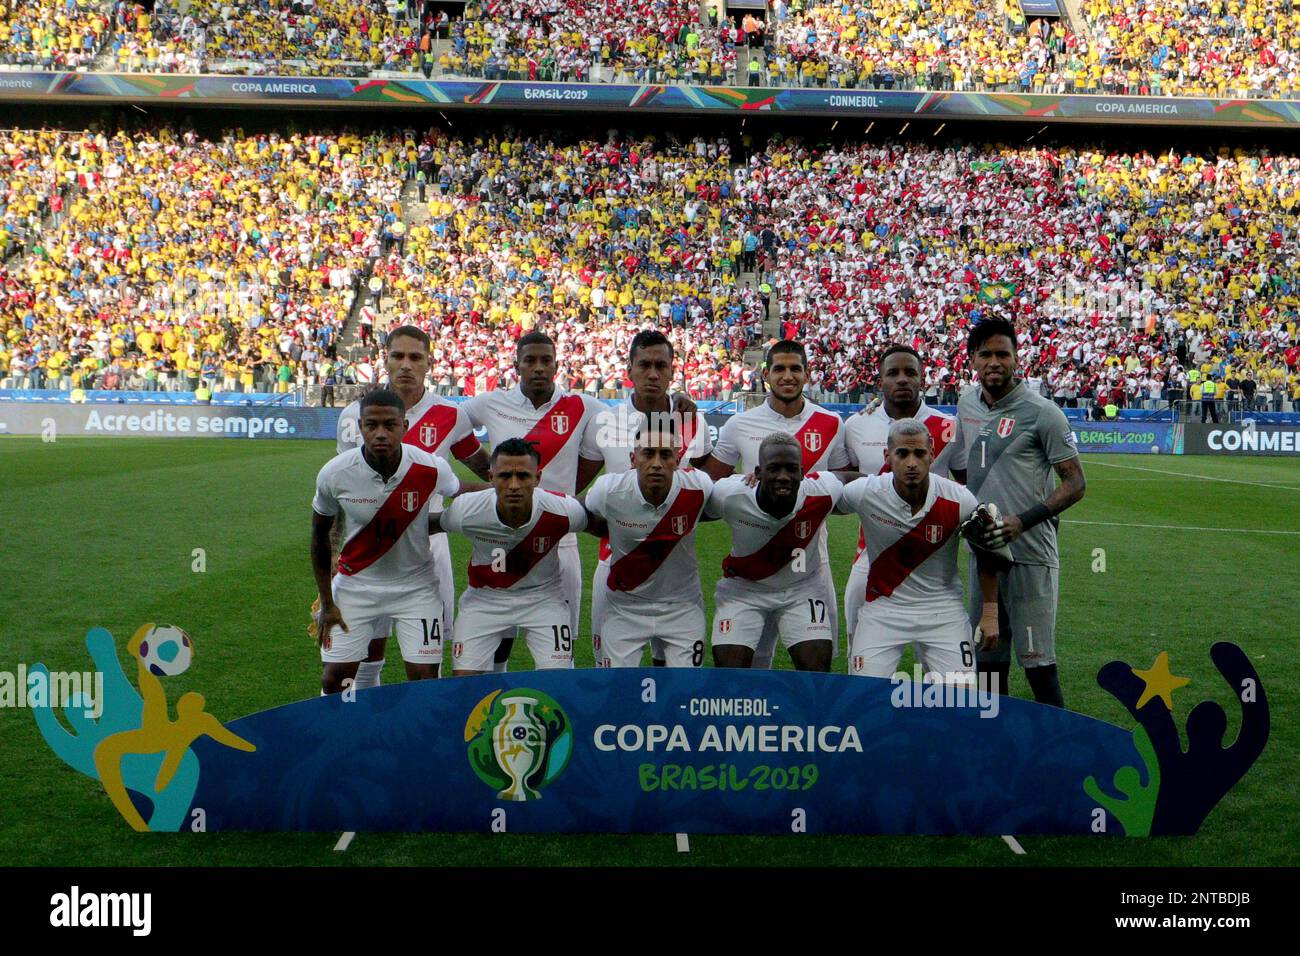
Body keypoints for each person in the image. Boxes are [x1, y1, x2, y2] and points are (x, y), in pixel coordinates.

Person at [333, 325, 492, 689]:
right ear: (385, 359)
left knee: (424, 664)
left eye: (415, 357)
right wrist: (333, 563)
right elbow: (344, 489)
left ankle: (419, 737)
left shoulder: (450, 415)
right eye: (398, 356)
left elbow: (483, 468)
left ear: (429, 363)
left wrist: (519, 485)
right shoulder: (353, 415)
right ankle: (369, 728)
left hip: (425, 548)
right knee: (365, 658)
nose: (405, 365)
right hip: (367, 551)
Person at [952, 319, 1087, 707]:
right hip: (984, 557)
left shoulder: (1042, 413)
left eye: (1002, 354)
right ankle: (999, 755)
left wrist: (1021, 521)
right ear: (972, 360)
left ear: (1016, 358)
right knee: (989, 661)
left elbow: (1075, 483)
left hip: (1031, 555)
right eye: (986, 354)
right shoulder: (966, 403)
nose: (994, 362)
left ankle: (1059, 756)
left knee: (1037, 664)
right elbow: (963, 466)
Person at [310, 390, 475, 694]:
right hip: (356, 585)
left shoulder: (430, 467)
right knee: (336, 681)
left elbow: (460, 489)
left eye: (390, 425)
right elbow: (320, 536)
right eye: (371, 425)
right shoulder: (335, 474)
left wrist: (505, 487)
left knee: (426, 679)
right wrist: (328, 602)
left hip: (417, 588)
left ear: (405, 425)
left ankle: (419, 741)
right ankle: (342, 739)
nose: (380, 433)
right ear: (360, 426)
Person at [698, 340, 849, 669]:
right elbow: (708, 485)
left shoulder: (831, 423)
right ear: (766, 374)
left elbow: (842, 480)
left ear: (807, 374)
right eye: (779, 368)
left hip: (810, 559)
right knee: (751, 668)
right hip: (753, 560)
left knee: (816, 671)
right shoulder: (740, 424)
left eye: (796, 368)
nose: (788, 375)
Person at [462, 331, 606, 671]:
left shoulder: (582, 406)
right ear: (517, 365)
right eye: (530, 360)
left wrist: (678, 406)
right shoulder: (491, 402)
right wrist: (488, 472)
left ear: (557, 365)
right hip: (502, 537)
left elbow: (629, 422)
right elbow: (449, 424)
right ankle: (495, 706)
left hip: (560, 538)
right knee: (498, 640)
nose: (538, 368)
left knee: (560, 643)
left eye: (546, 361)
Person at [837, 418, 1000, 681]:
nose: (911, 462)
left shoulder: (960, 499)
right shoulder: (867, 491)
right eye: (902, 453)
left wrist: (990, 613)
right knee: (863, 697)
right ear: (887, 456)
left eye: (919, 453)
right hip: (883, 610)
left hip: (943, 611)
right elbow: (823, 496)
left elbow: (987, 552)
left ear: (932, 454)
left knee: (961, 704)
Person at [590, 329, 714, 666]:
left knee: (673, 678)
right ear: (629, 369)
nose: (653, 374)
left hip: (675, 570)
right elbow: (580, 489)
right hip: (615, 564)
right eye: (644, 365)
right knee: (612, 678)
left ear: (674, 371)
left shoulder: (692, 421)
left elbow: (703, 487)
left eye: (661, 365)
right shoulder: (605, 421)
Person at [431, 438, 588, 675]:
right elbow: (427, 526)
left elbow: (602, 527)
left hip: (543, 599)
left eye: (523, 476)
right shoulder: (466, 510)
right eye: (505, 476)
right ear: (491, 477)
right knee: (463, 683)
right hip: (484, 600)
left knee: (558, 681)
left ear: (538, 478)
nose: (514, 485)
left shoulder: (564, 510)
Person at [842, 345, 965, 636]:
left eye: (910, 373)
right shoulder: (857, 426)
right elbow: (845, 483)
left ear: (922, 379)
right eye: (893, 373)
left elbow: (965, 485)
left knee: (936, 654)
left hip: (933, 557)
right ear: (880, 381)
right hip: (871, 554)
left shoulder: (948, 427)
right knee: (858, 640)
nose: (902, 379)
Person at [707, 433, 842, 672]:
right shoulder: (730, 495)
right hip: (743, 590)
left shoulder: (823, 491)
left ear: (802, 473)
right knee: (730, 677)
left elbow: (852, 479)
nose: (783, 477)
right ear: (758, 473)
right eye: (774, 469)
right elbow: (690, 502)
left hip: (803, 589)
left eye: (791, 469)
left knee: (817, 673)